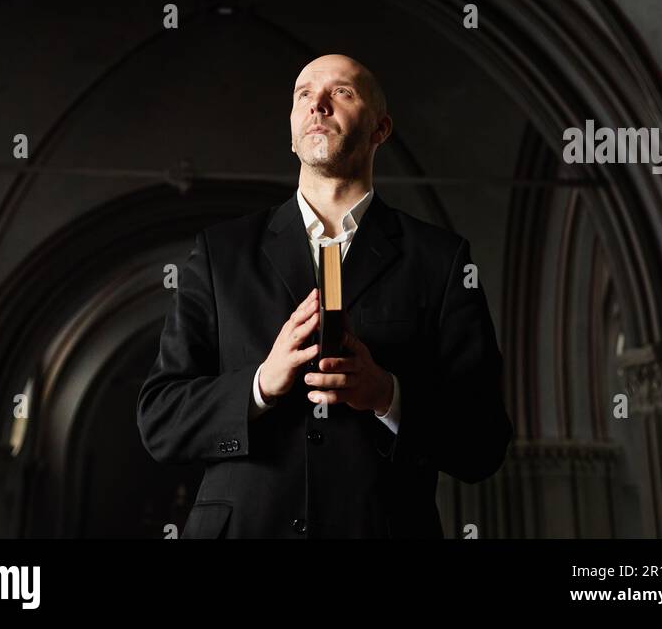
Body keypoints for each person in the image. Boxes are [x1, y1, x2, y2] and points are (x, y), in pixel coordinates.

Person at [136, 53, 513, 538]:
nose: (318, 104)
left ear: (380, 129)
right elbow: (160, 420)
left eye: (342, 92)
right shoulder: (220, 252)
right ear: (292, 133)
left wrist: (386, 395)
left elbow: (483, 443)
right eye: (303, 95)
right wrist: (260, 384)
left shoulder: (441, 261)